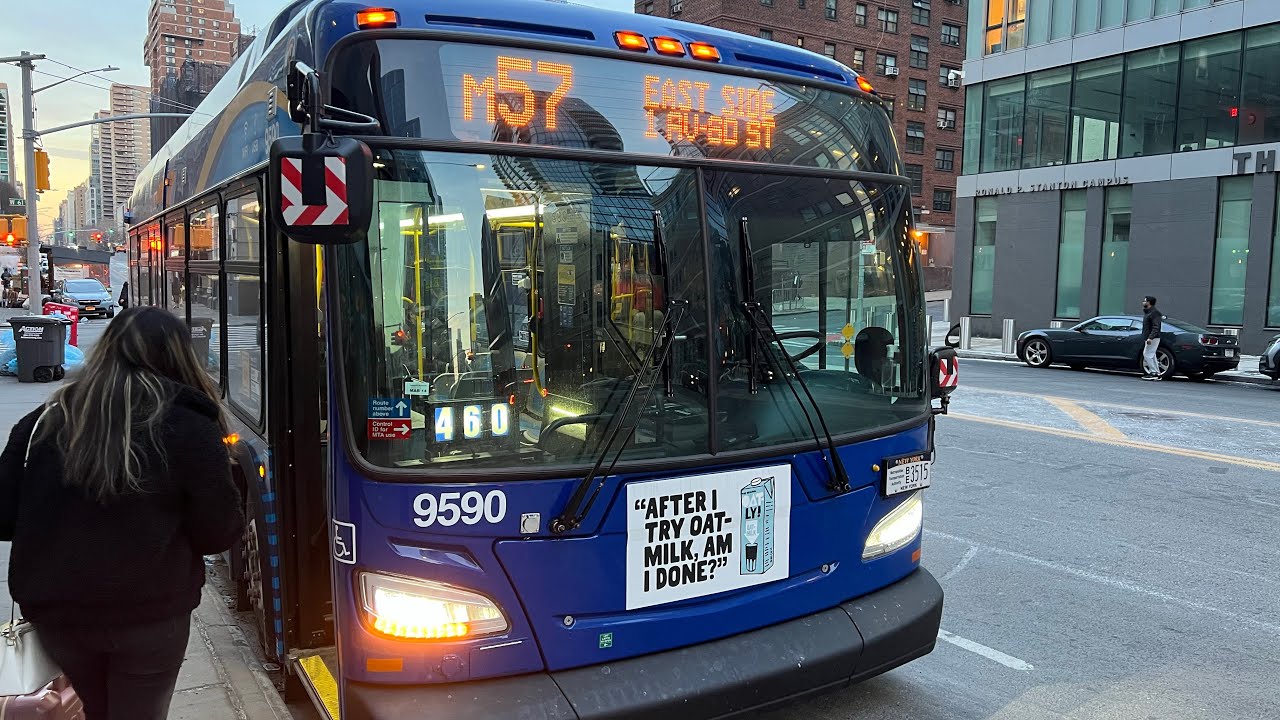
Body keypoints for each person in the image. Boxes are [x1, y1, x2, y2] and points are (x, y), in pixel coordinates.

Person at [0, 306, 243, 720]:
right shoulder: (190, 425)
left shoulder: (44, 421)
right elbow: (218, 534)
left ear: (105, 352)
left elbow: (4, 518)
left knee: (90, 709)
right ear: (180, 357)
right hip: (150, 617)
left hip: (60, 616)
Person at [1141, 295, 1165, 381]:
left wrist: (1150, 337)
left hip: (1153, 338)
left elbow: (1156, 327)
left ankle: (1153, 373)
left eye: (1144, 301)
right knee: (1152, 355)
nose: (1143, 302)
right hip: (1150, 337)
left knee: (1147, 354)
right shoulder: (1149, 312)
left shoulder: (1154, 313)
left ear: (1149, 302)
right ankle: (1157, 373)